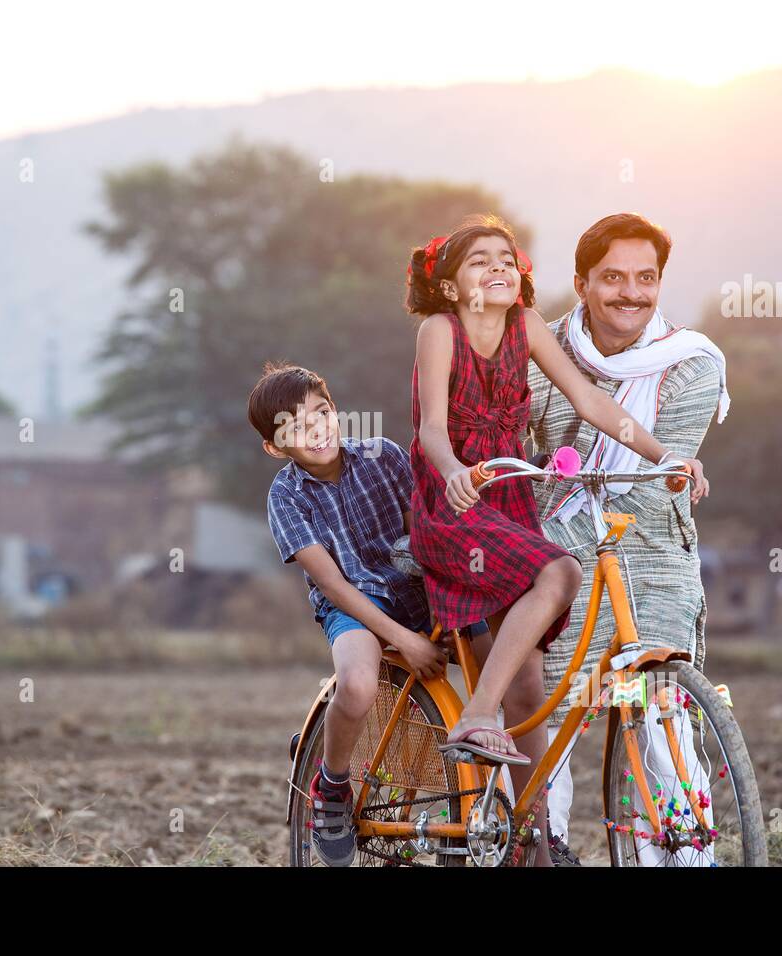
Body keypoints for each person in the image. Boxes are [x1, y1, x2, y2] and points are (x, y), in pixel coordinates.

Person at [405, 214, 707, 865]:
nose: (499, 269)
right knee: (563, 572)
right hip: (452, 502)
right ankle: (476, 716)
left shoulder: (525, 327)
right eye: (480, 261)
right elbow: (431, 428)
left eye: (507, 259)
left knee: (530, 690)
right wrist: (456, 472)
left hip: (509, 504)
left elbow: (595, 404)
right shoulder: (440, 331)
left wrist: (664, 455)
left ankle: (534, 844)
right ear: (452, 287)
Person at [525, 213, 729, 866]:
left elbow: (651, 480)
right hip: (558, 552)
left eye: (646, 279)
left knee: (659, 712)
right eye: (612, 278)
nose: (630, 294)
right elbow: (514, 446)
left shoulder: (693, 365)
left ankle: (683, 855)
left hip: (651, 553)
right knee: (548, 713)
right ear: (582, 282)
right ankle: (540, 846)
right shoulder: (536, 351)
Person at [248, 361, 489, 866]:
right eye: (293, 426)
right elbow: (332, 583)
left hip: (415, 586)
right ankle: (332, 787)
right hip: (356, 600)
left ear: (336, 412)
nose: (314, 429)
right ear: (275, 447)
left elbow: (421, 538)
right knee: (356, 684)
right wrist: (405, 638)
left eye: (320, 413)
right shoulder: (285, 496)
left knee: (497, 664)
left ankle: (507, 802)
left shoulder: (384, 456)